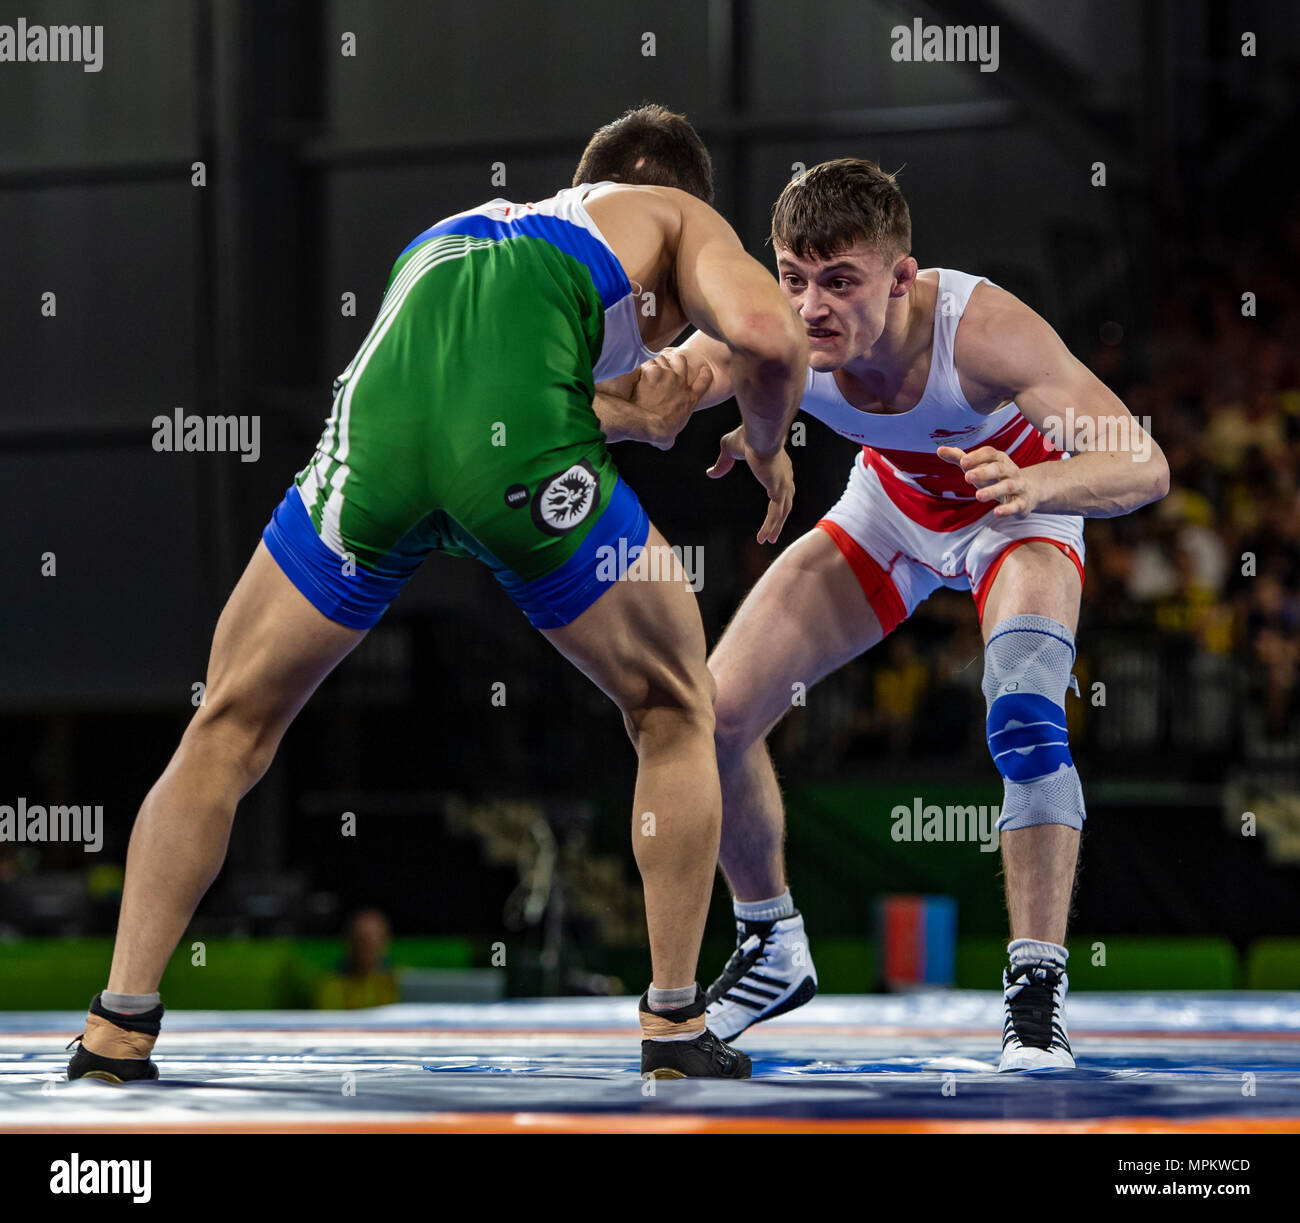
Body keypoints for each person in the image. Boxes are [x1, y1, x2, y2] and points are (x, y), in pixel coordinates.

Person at [65, 105, 808, 1084]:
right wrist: (764, 438)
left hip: (376, 427)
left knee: (228, 721)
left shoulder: (484, 237)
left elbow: (509, 391)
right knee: (673, 700)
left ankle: (118, 1025)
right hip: (509, 448)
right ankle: (673, 1019)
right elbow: (767, 334)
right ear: (668, 194)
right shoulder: (670, 213)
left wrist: (646, 398)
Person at [607, 158, 1169, 1069]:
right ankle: (771, 939)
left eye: (839, 282)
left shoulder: (981, 329)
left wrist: (1043, 480)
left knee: (1026, 716)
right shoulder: (776, 328)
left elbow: (1146, 466)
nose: (810, 308)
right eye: (793, 278)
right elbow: (663, 385)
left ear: (903, 279)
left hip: (1013, 514)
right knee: (708, 718)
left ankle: (1035, 992)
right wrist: (546, 402)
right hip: (891, 511)